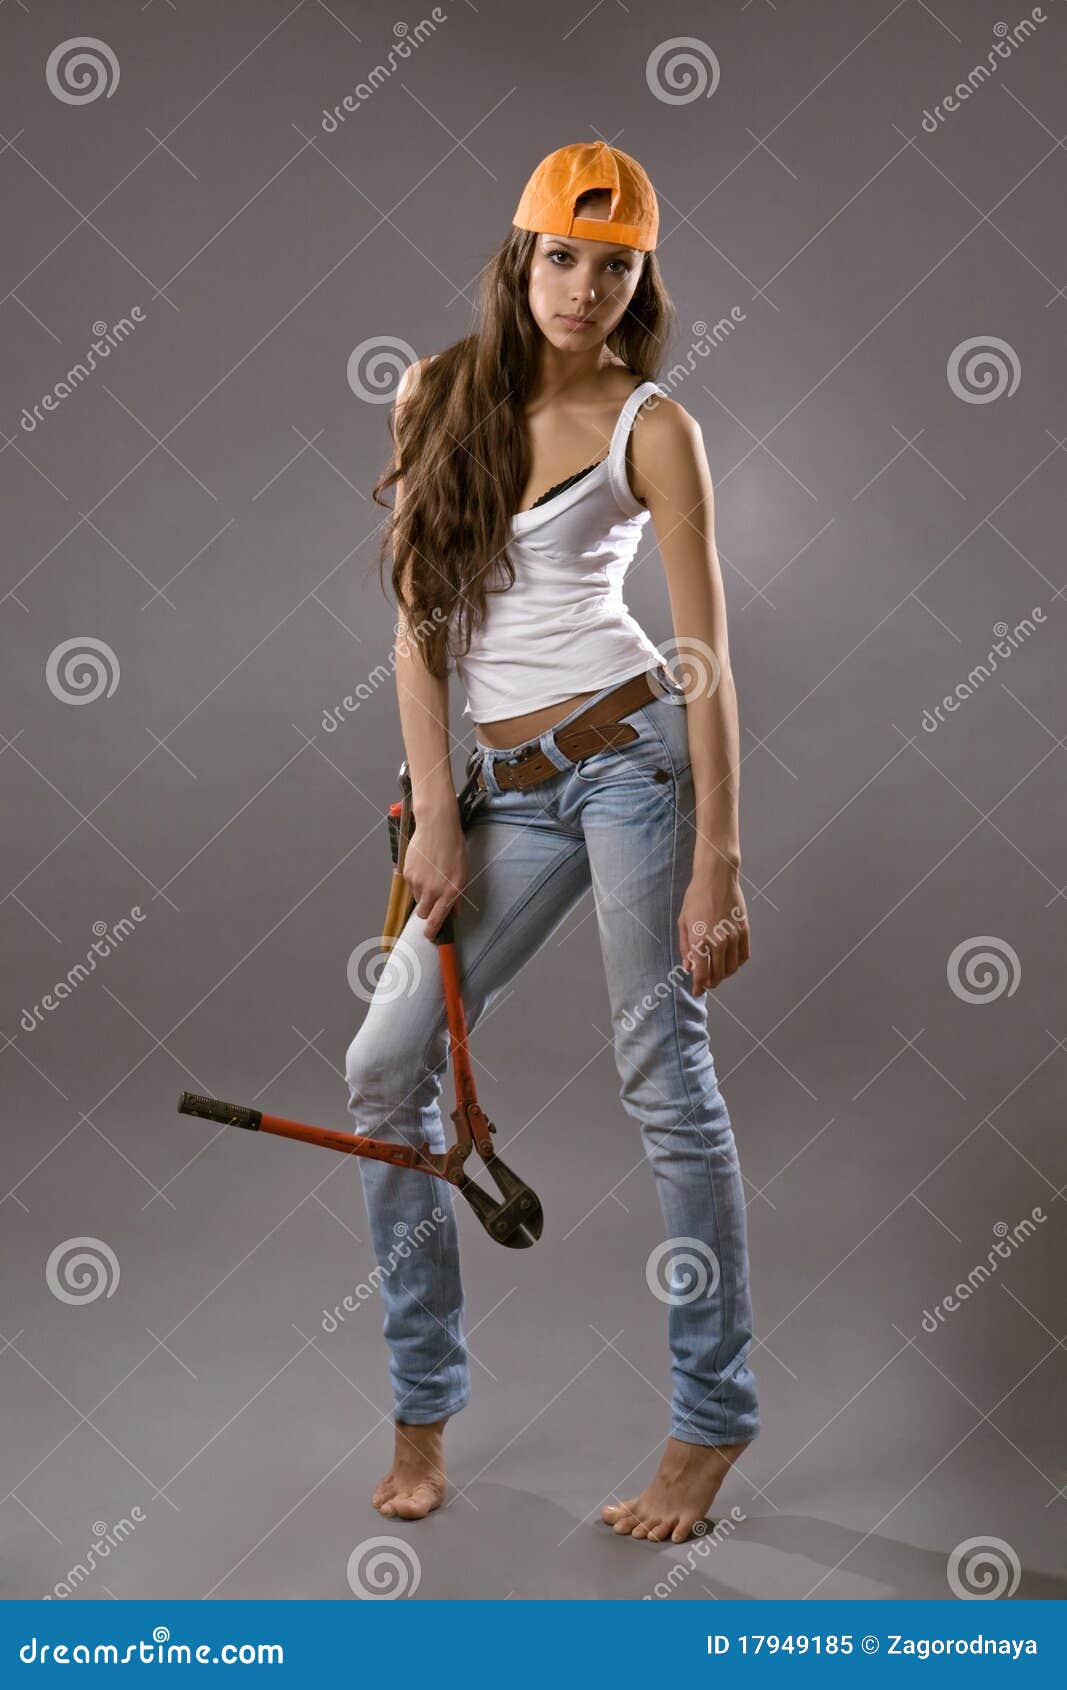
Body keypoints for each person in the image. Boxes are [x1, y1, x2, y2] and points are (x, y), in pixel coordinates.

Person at [345, 140, 760, 1547]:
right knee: (383, 1062)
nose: (585, 288)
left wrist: (723, 857)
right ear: (521, 256)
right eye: (564, 256)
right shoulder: (434, 395)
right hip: (503, 787)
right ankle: (421, 1405)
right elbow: (418, 629)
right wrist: (442, 814)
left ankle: (710, 1423)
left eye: (617, 263)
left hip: (638, 761)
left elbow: (704, 652)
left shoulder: (654, 425)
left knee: (665, 1075)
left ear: (644, 276)